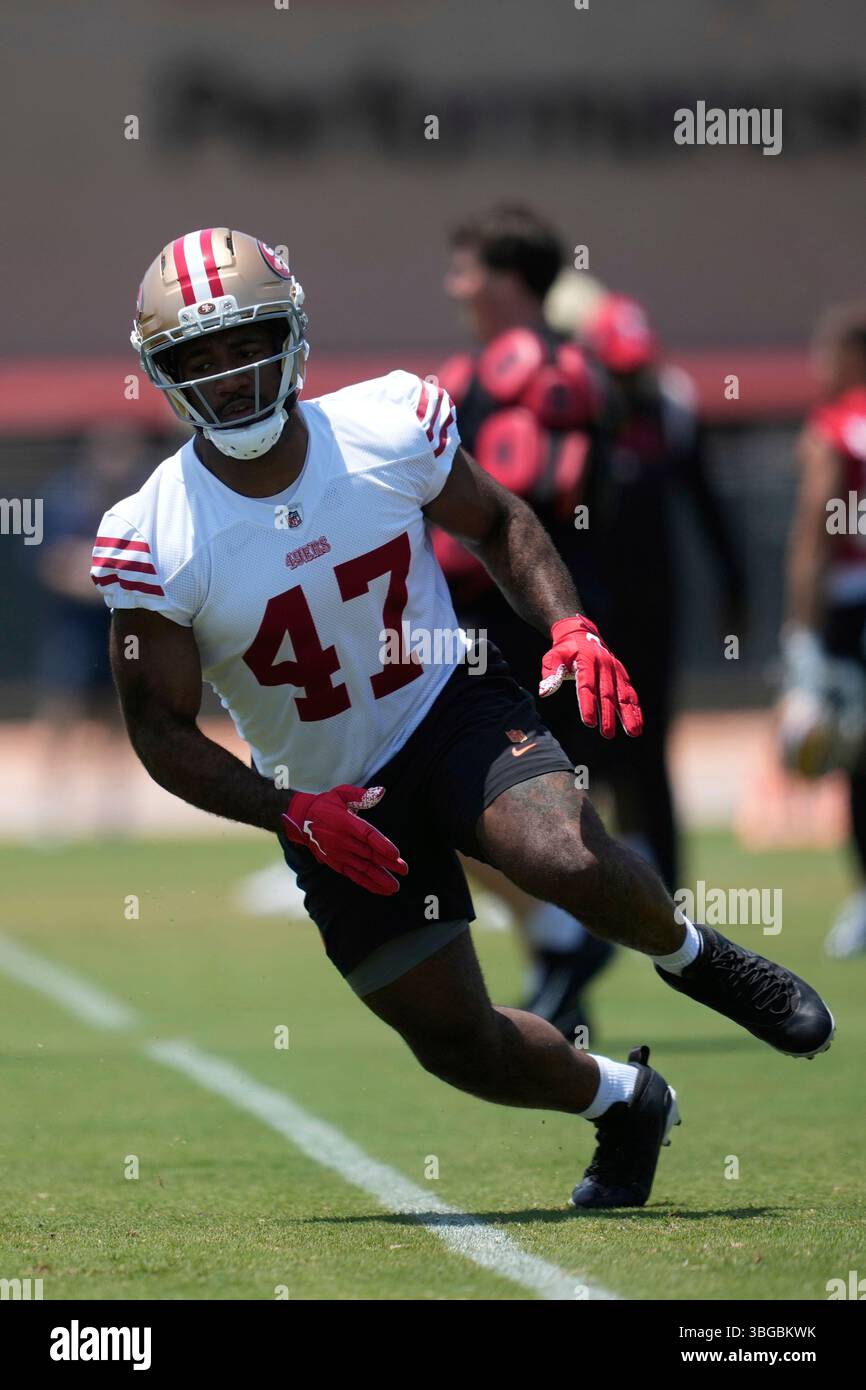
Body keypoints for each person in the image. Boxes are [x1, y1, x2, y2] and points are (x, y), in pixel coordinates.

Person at [93, 227, 835, 1212]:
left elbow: (500, 522)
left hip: (446, 708)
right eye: (199, 357)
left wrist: (566, 622)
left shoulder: (385, 424)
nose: (229, 376)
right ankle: (624, 1099)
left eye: (248, 343)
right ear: (164, 374)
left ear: (294, 334)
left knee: (560, 856)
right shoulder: (151, 536)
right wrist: (290, 811)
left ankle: (697, 958)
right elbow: (161, 731)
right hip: (326, 793)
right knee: (457, 1043)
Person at [435, 205, 619, 1040]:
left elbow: (512, 516)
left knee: (508, 810)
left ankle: (577, 938)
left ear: (506, 277)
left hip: (522, 629)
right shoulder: (473, 370)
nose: (455, 284)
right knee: (468, 811)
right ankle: (560, 952)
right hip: (483, 627)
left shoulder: (535, 370)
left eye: (468, 267)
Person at [782, 302, 866, 957]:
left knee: (854, 758)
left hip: (851, 606)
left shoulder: (835, 427)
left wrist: (801, 637)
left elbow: (816, 528)